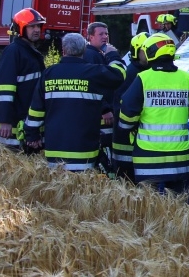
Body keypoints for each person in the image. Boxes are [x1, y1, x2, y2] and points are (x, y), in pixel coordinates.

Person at [23, 33, 126, 172]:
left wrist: (32, 135)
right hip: (85, 149)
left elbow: (36, 109)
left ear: (63, 51)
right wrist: (112, 54)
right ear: (84, 50)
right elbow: (120, 73)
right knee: (82, 188)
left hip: (55, 149)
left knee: (58, 189)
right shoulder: (93, 73)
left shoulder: (49, 74)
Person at [116, 33, 189, 190]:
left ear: (151, 53)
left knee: (148, 206)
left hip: (148, 156)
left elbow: (127, 113)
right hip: (179, 155)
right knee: (179, 205)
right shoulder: (186, 78)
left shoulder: (143, 78)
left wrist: (126, 128)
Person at [0, 8, 46, 153]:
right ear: (21, 28)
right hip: (12, 125)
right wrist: (4, 120)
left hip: (27, 122)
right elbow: (3, 88)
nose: (36, 30)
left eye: (38, 26)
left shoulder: (31, 52)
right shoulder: (13, 51)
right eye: (32, 26)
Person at [109, 32, 149, 181]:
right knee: (125, 177)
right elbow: (121, 104)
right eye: (145, 50)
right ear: (136, 52)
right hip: (124, 136)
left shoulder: (141, 71)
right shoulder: (132, 74)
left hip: (132, 135)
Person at [85, 22, 116, 156]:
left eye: (106, 34)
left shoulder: (99, 53)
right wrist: (105, 108)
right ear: (90, 37)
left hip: (103, 109)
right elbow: (94, 84)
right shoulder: (91, 55)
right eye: (101, 34)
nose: (105, 37)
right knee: (104, 145)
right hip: (100, 112)